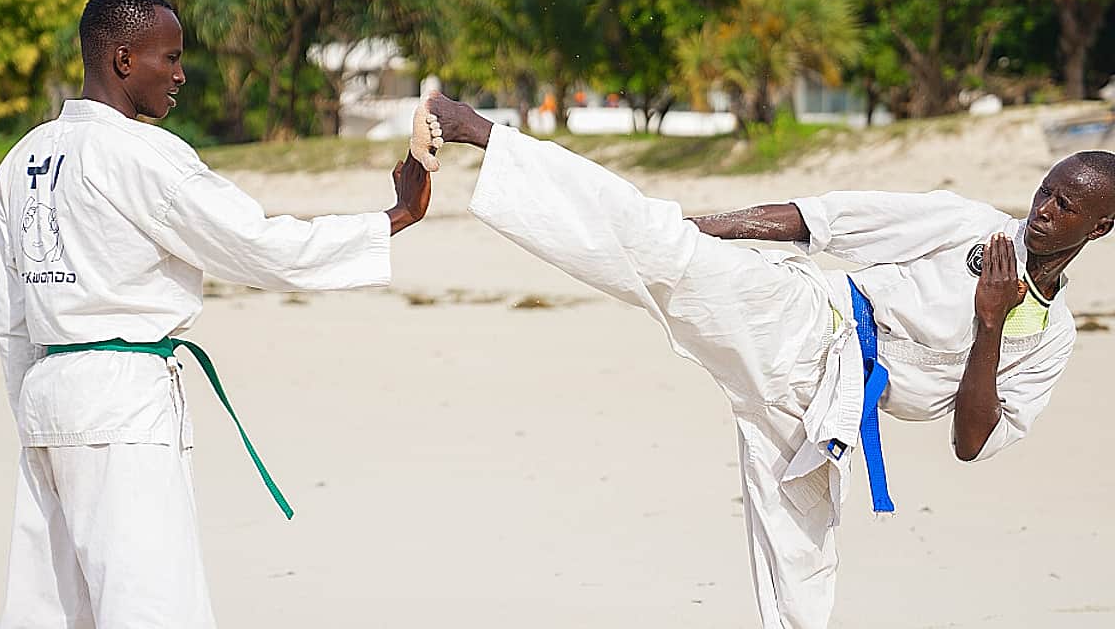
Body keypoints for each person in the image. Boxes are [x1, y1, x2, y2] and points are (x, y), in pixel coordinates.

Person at [416, 93, 1114, 629]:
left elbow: (971, 442)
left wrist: (989, 322)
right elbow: (824, 219)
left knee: (802, 561)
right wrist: (694, 230)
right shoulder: (971, 226)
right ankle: (482, 132)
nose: (1043, 210)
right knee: (653, 244)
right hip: (805, 319)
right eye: (1044, 191)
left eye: (1066, 204)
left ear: (1101, 226)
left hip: (831, 412)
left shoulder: (1049, 339)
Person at [0, 0, 431, 628]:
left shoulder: (20, 160)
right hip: (122, 405)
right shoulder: (140, 155)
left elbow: (12, 324)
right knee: (151, 608)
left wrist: (35, 414)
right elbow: (258, 245)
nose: (179, 74)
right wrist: (394, 218)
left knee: (53, 612)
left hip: (47, 400)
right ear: (122, 60)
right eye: (169, 58)